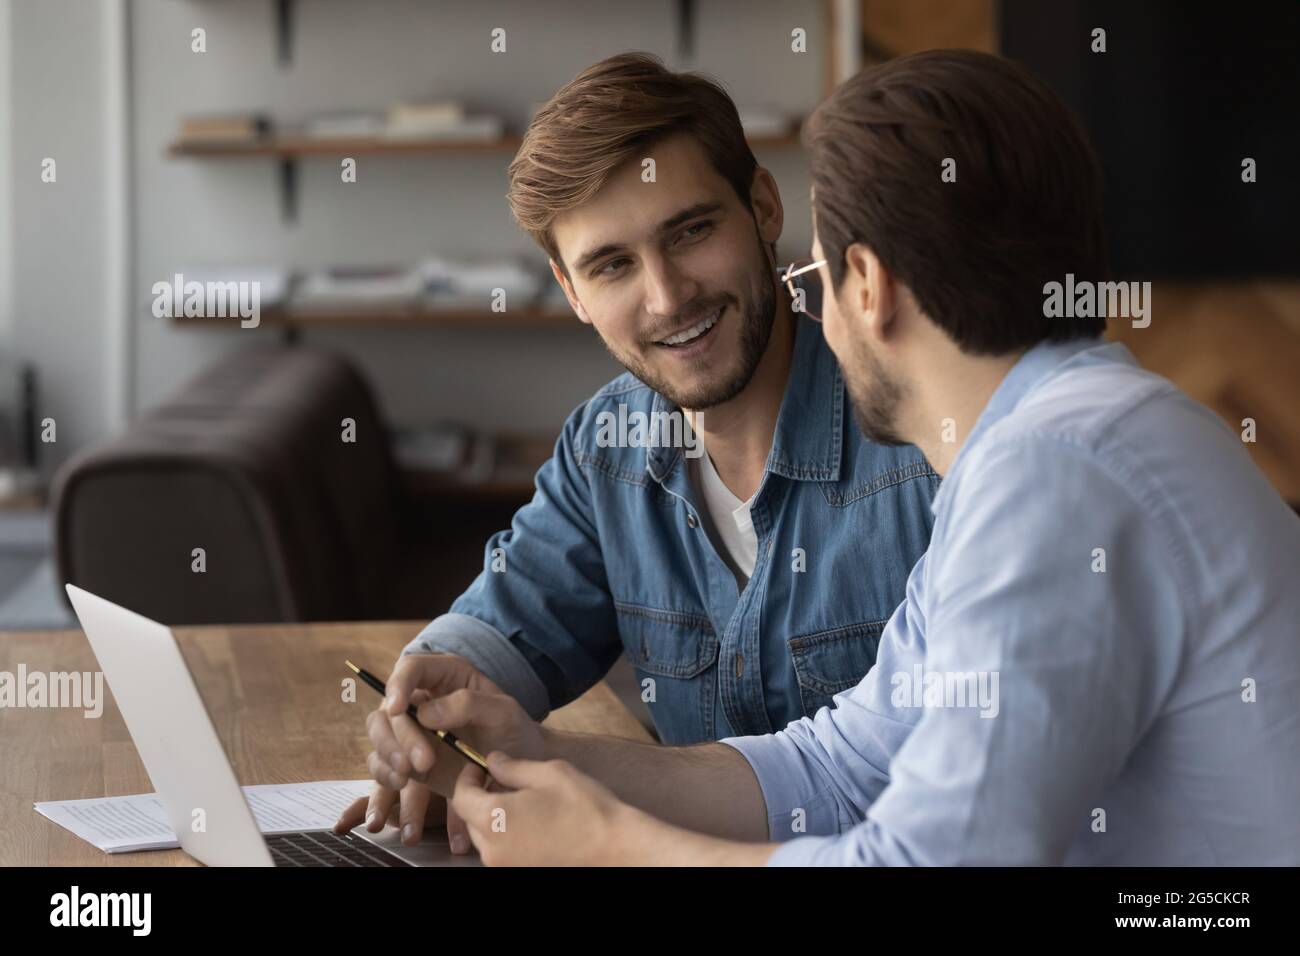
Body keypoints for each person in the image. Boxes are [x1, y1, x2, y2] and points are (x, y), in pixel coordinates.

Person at [355, 49, 1300, 866]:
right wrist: (536, 760)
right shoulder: (1043, 446)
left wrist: (607, 847)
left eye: (818, 273)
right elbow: (842, 766)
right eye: (612, 265)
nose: (670, 294)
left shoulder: (1052, 472)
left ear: (866, 285)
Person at [334, 53, 939, 851]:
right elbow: (502, 626)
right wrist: (426, 712)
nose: (667, 295)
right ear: (573, 292)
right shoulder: (608, 448)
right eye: (612, 265)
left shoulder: (921, 437)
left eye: (690, 231)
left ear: (762, 206)